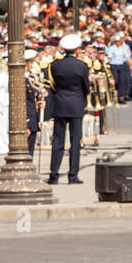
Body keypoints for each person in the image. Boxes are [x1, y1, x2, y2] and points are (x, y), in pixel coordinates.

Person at [45, 33, 90, 184]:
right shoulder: (82, 65)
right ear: (77, 49)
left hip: (60, 103)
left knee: (57, 141)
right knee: (75, 141)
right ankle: (73, 175)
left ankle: (54, 175)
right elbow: (86, 87)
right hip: (76, 104)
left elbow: (53, 86)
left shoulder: (54, 65)